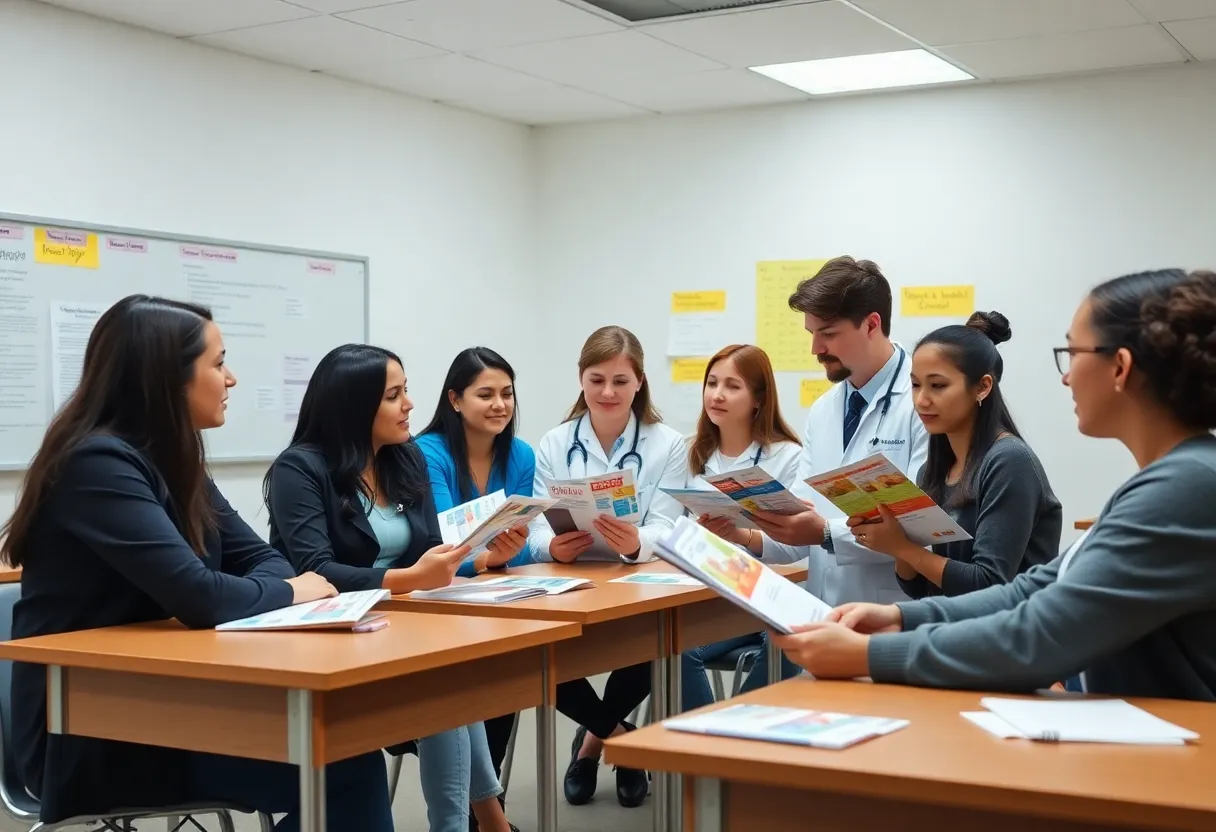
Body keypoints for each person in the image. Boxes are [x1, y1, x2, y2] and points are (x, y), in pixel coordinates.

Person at [0, 295, 392, 830]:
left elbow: (260, 558)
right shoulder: (96, 464)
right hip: (93, 731)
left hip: (170, 704)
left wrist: (261, 585)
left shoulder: (175, 457)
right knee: (342, 761)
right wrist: (292, 590)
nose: (230, 378)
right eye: (218, 362)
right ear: (168, 378)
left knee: (345, 750)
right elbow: (202, 596)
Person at [772, 268, 1216, 701]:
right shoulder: (1171, 478)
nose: (1066, 375)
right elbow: (1035, 589)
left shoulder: (1186, 487)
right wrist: (898, 618)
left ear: (1119, 367)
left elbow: (1039, 636)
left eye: (1073, 353)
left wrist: (871, 654)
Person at [264, 344, 519, 832]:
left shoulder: (404, 459)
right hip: (328, 636)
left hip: (398, 623)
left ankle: (486, 823)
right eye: (394, 395)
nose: (409, 406)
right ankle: (477, 824)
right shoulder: (300, 469)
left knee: (452, 676)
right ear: (355, 405)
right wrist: (407, 580)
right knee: (444, 685)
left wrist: (485, 557)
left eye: (406, 392)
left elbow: (426, 546)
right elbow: (316, 571)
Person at [704, 256, 929, 691]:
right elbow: (803, 527)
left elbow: (919, 526)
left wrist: (823, 532)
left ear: (871, 324)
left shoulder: (919, 403)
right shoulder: (826, 409)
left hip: (892, 616)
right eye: (811, 334)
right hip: (823, 619)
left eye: (828, 334)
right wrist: (749, 535)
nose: (815, 350)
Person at [532, 325, 687, 808]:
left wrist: (638, 540)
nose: (607, 392)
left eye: (620, 381)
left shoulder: (668, 443)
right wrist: (550, 550)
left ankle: (590, 744)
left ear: (639, 381)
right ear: (581, 379)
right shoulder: (556, 443)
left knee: (651, 648)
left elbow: (668, 524)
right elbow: (537, 527)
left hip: (639, 579)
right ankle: (622, 738)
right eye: (596, 379)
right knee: (543, 660)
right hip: (570, 582)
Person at [845, 311, 1062, 598]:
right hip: (955, 633)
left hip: (1012, 636)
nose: (921, 400)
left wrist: (900, 546)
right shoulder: (933, 470)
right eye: (915, 385)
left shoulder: (1009, 460)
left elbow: (988, 583)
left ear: (982, 387)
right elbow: (919, 587)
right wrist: (896, 537)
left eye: (938, 385)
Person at [414, 346, 536, 803]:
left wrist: (498, 556)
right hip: (441, 602)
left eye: (507, 393)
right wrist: (487, 559)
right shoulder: (427, 453)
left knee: (524, 665)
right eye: (485, 394)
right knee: (502, 675)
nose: (500, 404)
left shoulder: (520, 454)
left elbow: (516, 538)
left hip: (496, 594)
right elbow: (445, 544)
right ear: (454, 400)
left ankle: (487, 806)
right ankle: (487, 807)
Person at [681, 344, 801, 711]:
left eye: (732, 386)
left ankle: (734, 740)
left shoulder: (788, 458)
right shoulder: (694, 456)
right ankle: (708, 752)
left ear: (758, 399)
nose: (717, 395)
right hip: (710, 596)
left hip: (769, 597)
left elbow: (800, 549)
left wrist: (743, 536)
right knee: (675, 649)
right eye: (712, 382)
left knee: (783, 646)